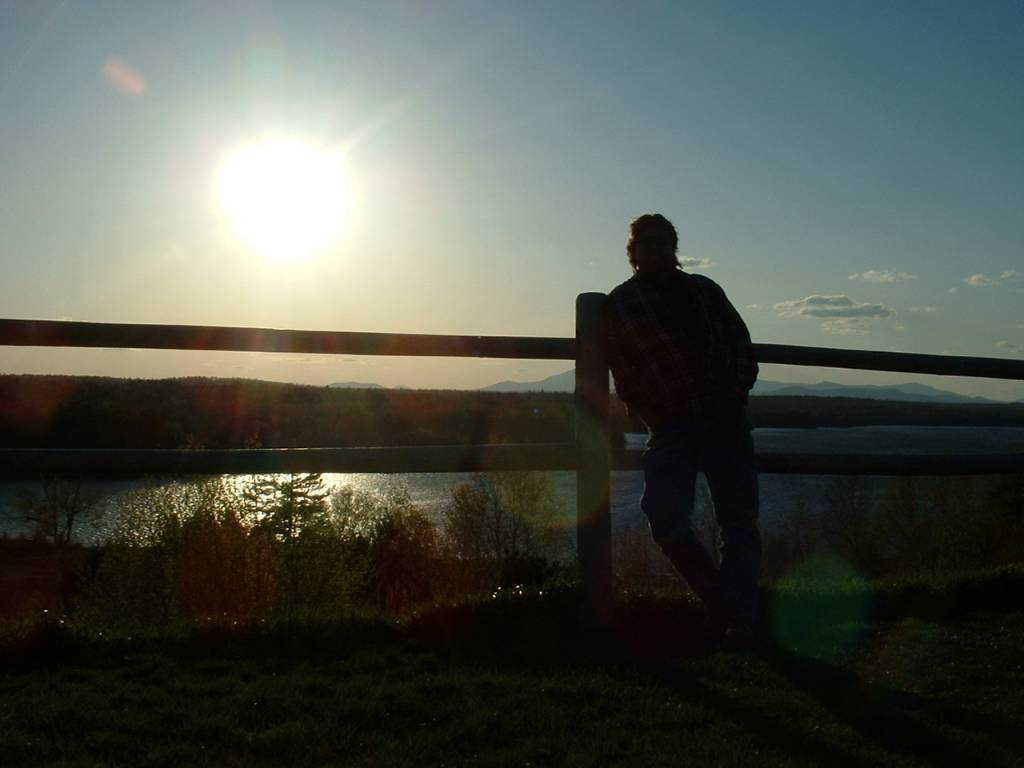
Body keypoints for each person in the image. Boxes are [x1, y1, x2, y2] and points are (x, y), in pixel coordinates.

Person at [605, 213, 762, 647]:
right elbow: (624, 373)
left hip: (725, 421)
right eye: (647, 244)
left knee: (739, 523)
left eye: (663, 243)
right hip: (672, 426)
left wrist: (735, 394)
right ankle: (725, 606)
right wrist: (653, 415)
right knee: (665, 517)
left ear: (674, 248)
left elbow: (741, 345)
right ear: (633, 252)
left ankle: (738, 623)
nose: (656, 251)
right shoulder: (620, 304)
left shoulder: (706, 290)